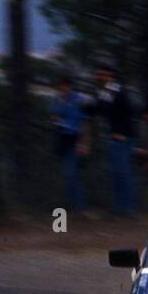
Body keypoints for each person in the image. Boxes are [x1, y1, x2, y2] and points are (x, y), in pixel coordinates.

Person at [90, 65, 136, 216]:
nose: (99, 77)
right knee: (117, 172)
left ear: (110, 76)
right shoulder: (106, 92)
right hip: (114, 136)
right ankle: (119, 207)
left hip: (121, 137)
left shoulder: (117, 91)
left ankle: (127, 207)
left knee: (123, 172)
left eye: (102, 74)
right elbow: (99, 109)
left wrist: (122, 132)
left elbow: (128, 112)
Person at [52, 75, 90, 211]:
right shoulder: (58, 101)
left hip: (76, 139)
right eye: (60, 86)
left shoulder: (78, 100)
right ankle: (74, 204)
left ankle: (80, 205)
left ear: (69, 86)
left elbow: (85, 123)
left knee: (71, 173)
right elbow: (55, 117)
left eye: (64, 86)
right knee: (68, 173)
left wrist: (84, 144)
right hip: (63, 139)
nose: (62, 89)